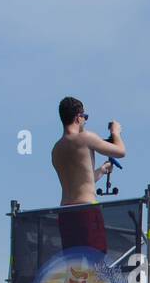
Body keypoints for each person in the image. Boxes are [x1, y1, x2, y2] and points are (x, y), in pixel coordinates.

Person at [51, 96, 126, 252]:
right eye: (85, 117)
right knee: (95, 261)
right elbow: (121, 151)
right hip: (87, 211)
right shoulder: (85, 138)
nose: (85, 121)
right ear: (78, 117)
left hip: (65, 213)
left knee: (74, 265)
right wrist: (116, 132)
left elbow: (80, 181)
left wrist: (102, 170)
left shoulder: (56, 149)